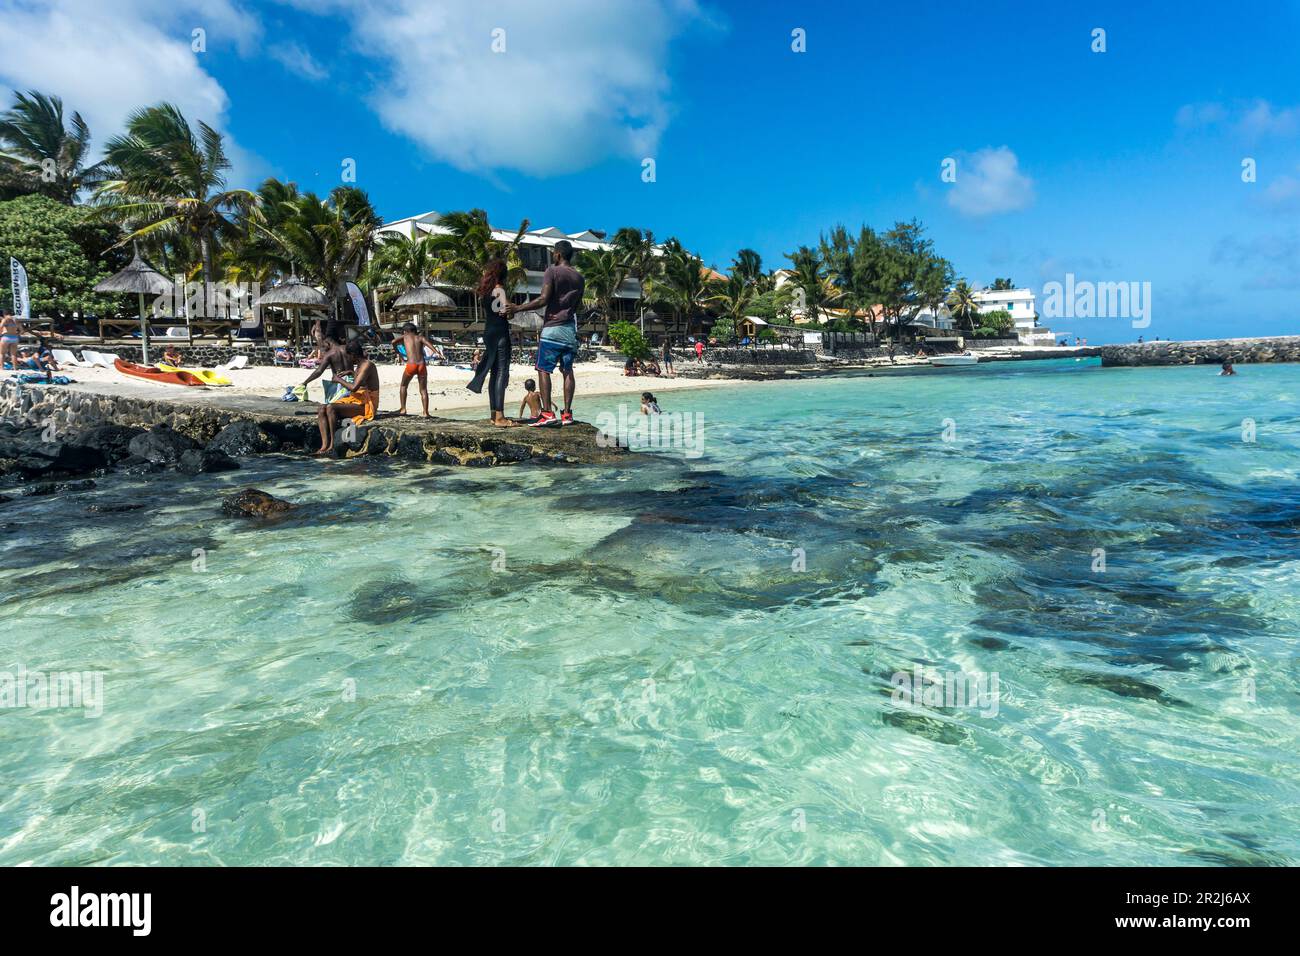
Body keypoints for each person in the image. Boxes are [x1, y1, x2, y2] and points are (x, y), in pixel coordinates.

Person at [506, 239, 584, 427]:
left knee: (543, 369)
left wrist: (517, 308)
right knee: (567, 371)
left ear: (557, 254)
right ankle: (567, 414)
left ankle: (547, 413)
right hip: (569, 329)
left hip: (553, 328)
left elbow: (543, 299)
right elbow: (577, 306)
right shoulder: (579, 278)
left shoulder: (552, 271)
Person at [467, 259, 514, 426]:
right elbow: (506, 312)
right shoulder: (499, 290)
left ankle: (494, 414)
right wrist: (513, 308)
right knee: (501, 372)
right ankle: (500, 417)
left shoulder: (486, 293)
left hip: (489, 331)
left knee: (494, 373)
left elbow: (495, 310)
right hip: (500, 332)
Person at [316, 340, 378, 454]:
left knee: (331, 408)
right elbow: (362, 380)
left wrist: (338, 379)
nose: (347, 359)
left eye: (348, 356)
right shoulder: (359, 366)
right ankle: (324, 445)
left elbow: (354, 387)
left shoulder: (368, 365)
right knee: (321, 408)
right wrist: (350, 372)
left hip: (366, 404)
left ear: (353, 355)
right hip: (357, 400)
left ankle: (332, 444)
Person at [394, 322, 439, 416]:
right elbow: (429, 344)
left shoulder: (405, 337)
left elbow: (393, 342)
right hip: (422, 365)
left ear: (405, 331)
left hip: (411, 365)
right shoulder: (420, 338)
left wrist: (397, 352)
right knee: (423, 390)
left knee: (403, 386)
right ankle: (425, 412)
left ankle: (403, 409)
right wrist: (436, 352)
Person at [301, 333, 350, 402]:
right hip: (352, 381)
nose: (323, 348)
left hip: (340, 382)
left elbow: (319, 371)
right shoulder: (347, 348)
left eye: (323, 345)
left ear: (327, 343)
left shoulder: (330, 354)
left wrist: (305, 382)